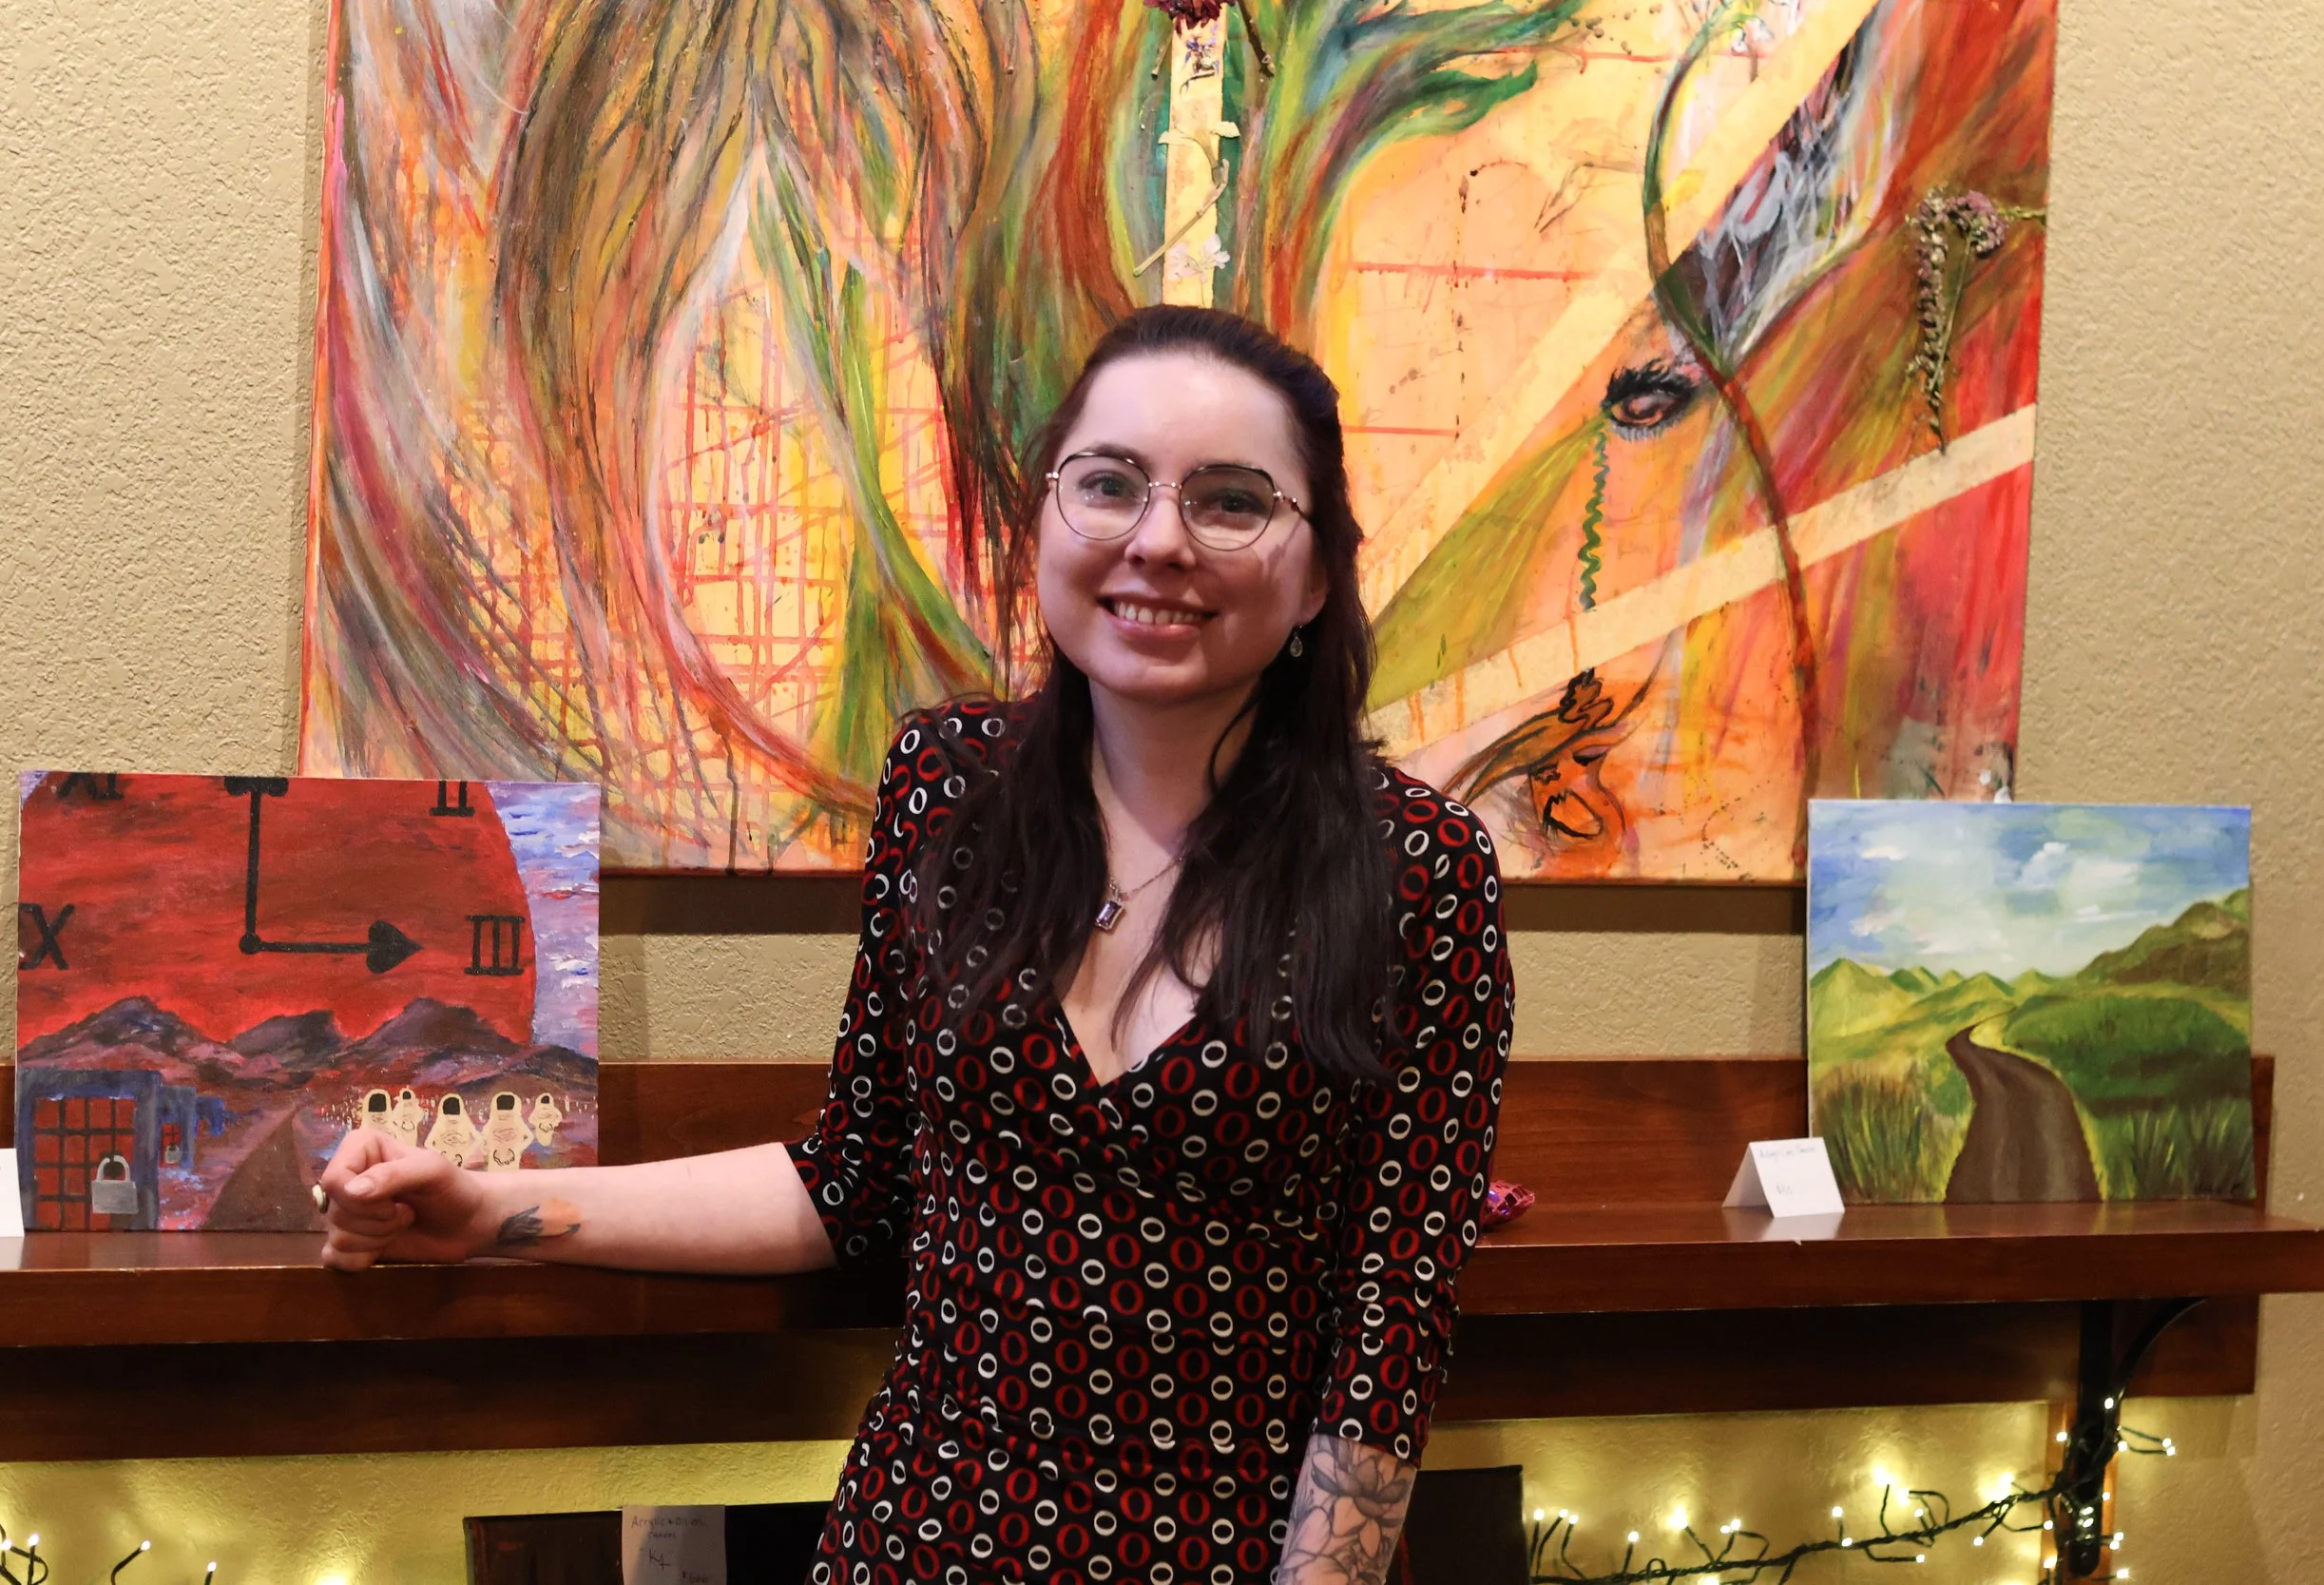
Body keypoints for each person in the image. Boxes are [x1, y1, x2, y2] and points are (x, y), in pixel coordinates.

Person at [316, 306, 1515, 1585]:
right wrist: (488, 1208)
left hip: (1231, 1552)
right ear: (1046, 520)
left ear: (1318, 574)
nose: (1159, 540)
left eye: (1232, 502)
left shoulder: (1421, 867)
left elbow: (1393, 1312)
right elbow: (854, 1180)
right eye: (1110, 483)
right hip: (920, 1537)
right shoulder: (948, 787)